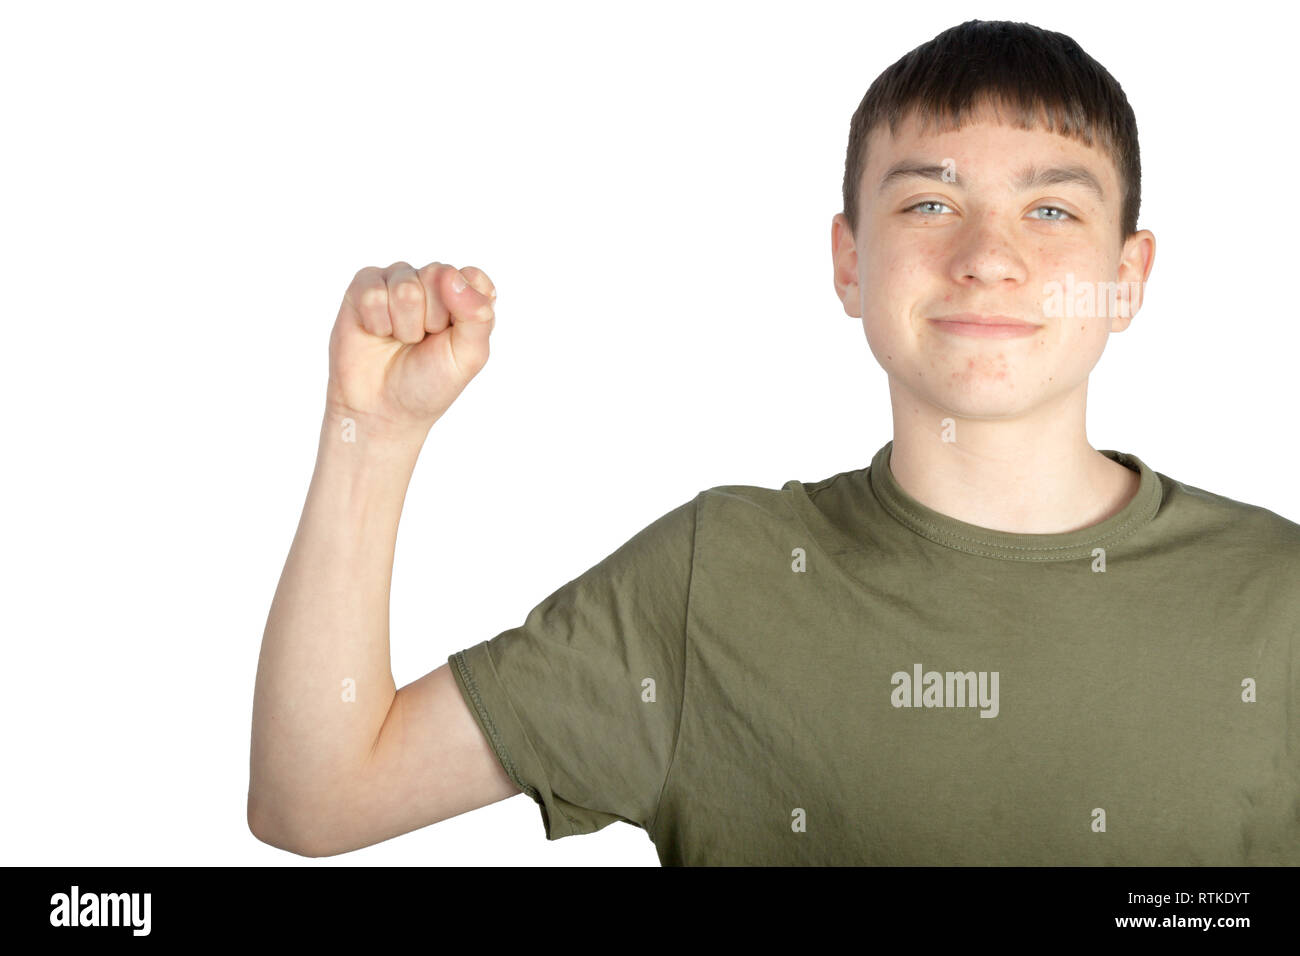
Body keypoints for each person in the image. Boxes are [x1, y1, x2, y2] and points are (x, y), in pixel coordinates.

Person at [247, 19, 1300, 864]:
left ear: (1128, 276)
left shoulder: (1279, 593)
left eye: (1051, 211)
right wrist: (370, 431)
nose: (988, 256)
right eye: (931, 201)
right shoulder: (716, 578)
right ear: (848, 261)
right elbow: (319, 796)